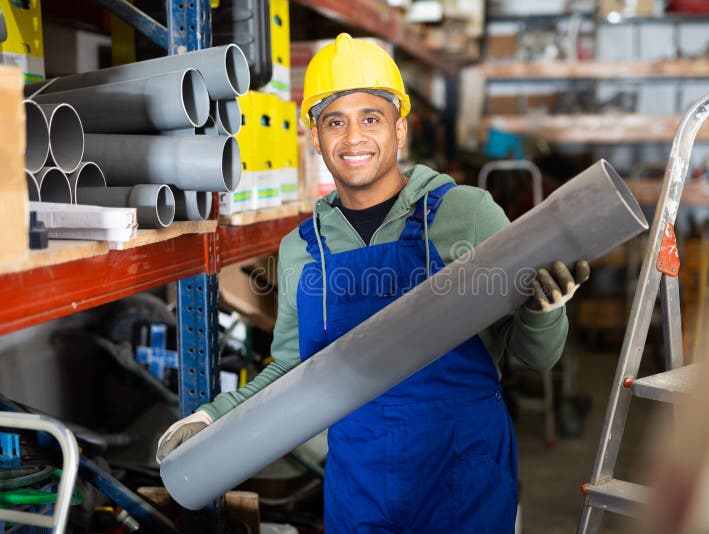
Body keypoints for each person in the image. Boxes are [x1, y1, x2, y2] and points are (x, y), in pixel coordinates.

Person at [157, 33, 590, 532]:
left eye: (371, 118)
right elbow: (294, 370)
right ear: (315, 137)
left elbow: (537, 357)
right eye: (334, 122)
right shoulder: (303, 248)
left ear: (400, 129)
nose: (353, 137)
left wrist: (543, 310)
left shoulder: (466, 215)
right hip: (359, 485)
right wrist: (212, 419)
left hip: (462, 472)